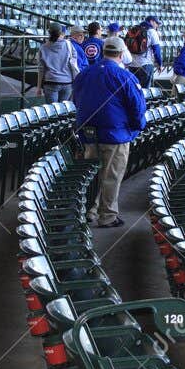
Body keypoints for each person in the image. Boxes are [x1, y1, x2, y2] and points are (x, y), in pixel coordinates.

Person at [71, 37, 146, 227]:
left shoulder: (85, 73)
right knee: (111, 174)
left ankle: (90, 210)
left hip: (88, 132)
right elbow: (137, 107)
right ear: (121, 54)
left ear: (103, 52)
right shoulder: (124, 76)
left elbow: (77, 100)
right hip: (115, 134)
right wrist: (138, 126)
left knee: (92, 173)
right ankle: (108, 216)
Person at [36, 24, 79, 103]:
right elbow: (73, 64)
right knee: (63, 111)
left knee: (52, 112)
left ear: (49, 33)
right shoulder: (68, 44)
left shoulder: (43, 47)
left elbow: (41, 69)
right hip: (67, 81)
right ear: (61, 33)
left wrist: (38, 87)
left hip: (50, 82)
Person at [123, 15, 161, 89]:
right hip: (145, 64)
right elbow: (156, 50)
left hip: (132, 64)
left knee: (133, 89)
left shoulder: (134, 29)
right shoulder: (152, 32)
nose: (157, 25)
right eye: (156, 23)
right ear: (151, 21)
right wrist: (160, 64)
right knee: (145, 91)